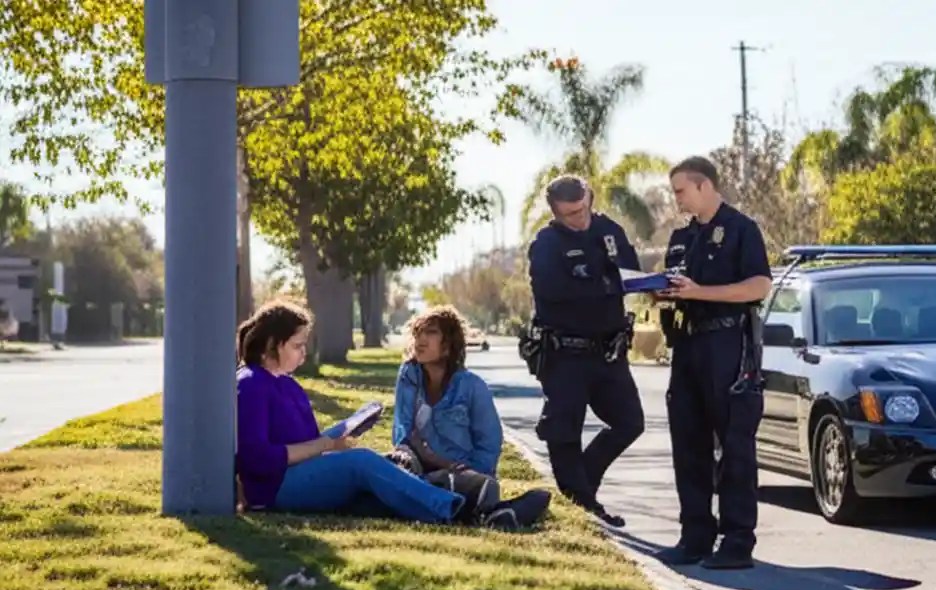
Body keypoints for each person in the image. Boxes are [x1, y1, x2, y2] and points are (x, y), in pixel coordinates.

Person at [235, 299, 470, 524]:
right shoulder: (250, 384)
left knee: (375, 493)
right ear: (272, 344)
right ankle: (451, 508)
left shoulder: (289, 385)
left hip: (300, 476)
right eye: (297, 346)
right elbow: (257, 458)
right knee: (361, 461)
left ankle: (461, 497)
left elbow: (307, 443)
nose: (303, 353)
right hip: (272, 488)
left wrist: (337, 435)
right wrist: (324, 445)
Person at [654, 156, 772, 570]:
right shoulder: (682, 237)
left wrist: (700, 292)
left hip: (727, 344)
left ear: (704, 186)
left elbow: (759, 286)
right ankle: (695, 536)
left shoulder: (741, 229)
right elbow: (681, 286)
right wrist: (665, 293)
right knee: (689, 445)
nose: (678, 200)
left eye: (681, 191)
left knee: (735, 447)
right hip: (687, 346)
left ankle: (737, 541)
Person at [520, 174, 645, 528]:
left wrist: (613, 284)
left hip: (609, 351)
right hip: (566, 354)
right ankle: (584, 503)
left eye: (583, 208)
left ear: (589, 196)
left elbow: (630, 272)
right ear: (556, 213)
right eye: (570, 214)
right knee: (563, 430)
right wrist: (605, 285)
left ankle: (582, 487)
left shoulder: (608, 230)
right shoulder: (546, 244)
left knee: (630, 422)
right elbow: (554, 291)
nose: (580, 218)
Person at [387, 305, 550, 529]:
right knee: (385, 471)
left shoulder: (472, 387)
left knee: (535, 495)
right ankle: (490, 513)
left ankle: (481, 507)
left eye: (431, 332)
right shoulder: (409, 376)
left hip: (463, 474)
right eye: (418, 333)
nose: (421, 339)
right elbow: (402, 433)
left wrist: (454, 467)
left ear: (448, 345)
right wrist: (411, 455)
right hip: (418, 470)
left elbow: (488, 446)